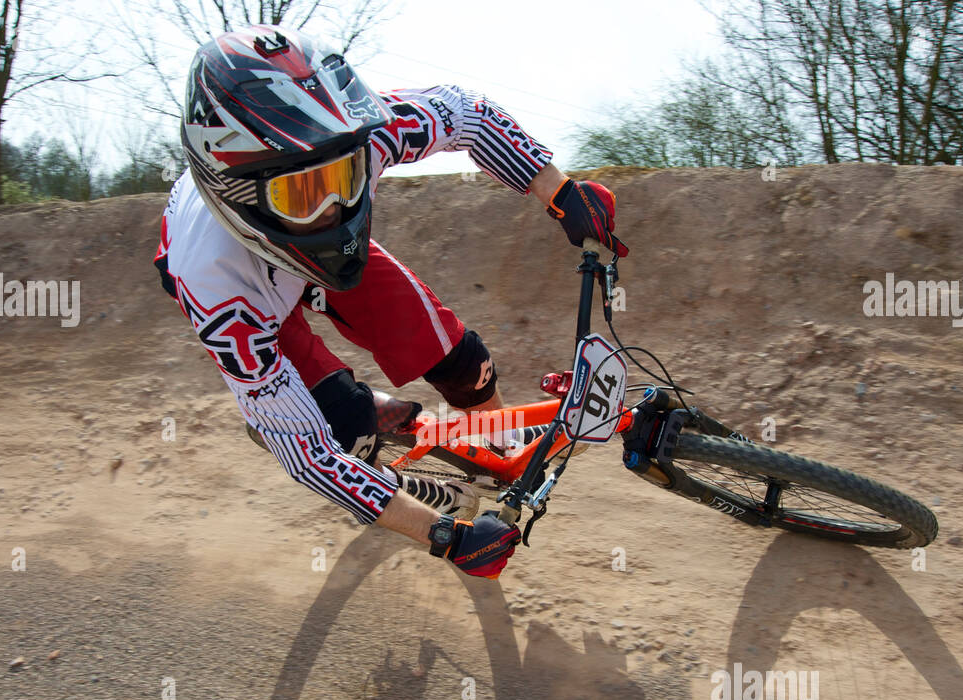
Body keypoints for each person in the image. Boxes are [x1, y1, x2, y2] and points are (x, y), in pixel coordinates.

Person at [154, 25, 628, 579]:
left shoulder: (353, 133)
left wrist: (561, 192)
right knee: (341, 429)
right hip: (254, 286)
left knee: (465, 365)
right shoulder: (221, 298)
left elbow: (464, 113)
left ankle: (496, 456)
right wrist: (444, 537)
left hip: (288, 249)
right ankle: (371, 444)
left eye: (346, 176)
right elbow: (310, 459)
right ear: (237, 191)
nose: (336, 207)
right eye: (305, 195)